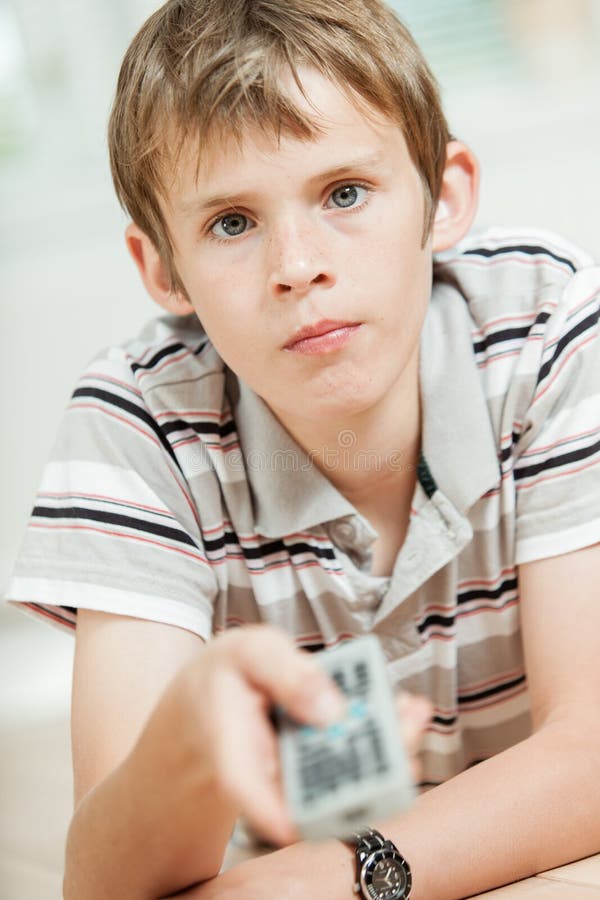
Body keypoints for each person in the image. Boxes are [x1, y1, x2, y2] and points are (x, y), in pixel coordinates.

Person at [4, 0, 600, 897]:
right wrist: (185, 748)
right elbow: (102, 884)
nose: (298, 263)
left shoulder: (546, 327)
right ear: (164, 269)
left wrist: (339, 877)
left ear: (444, 198)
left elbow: (589, 753)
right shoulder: (136, 422)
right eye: (231, 223)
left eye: (345, 193)